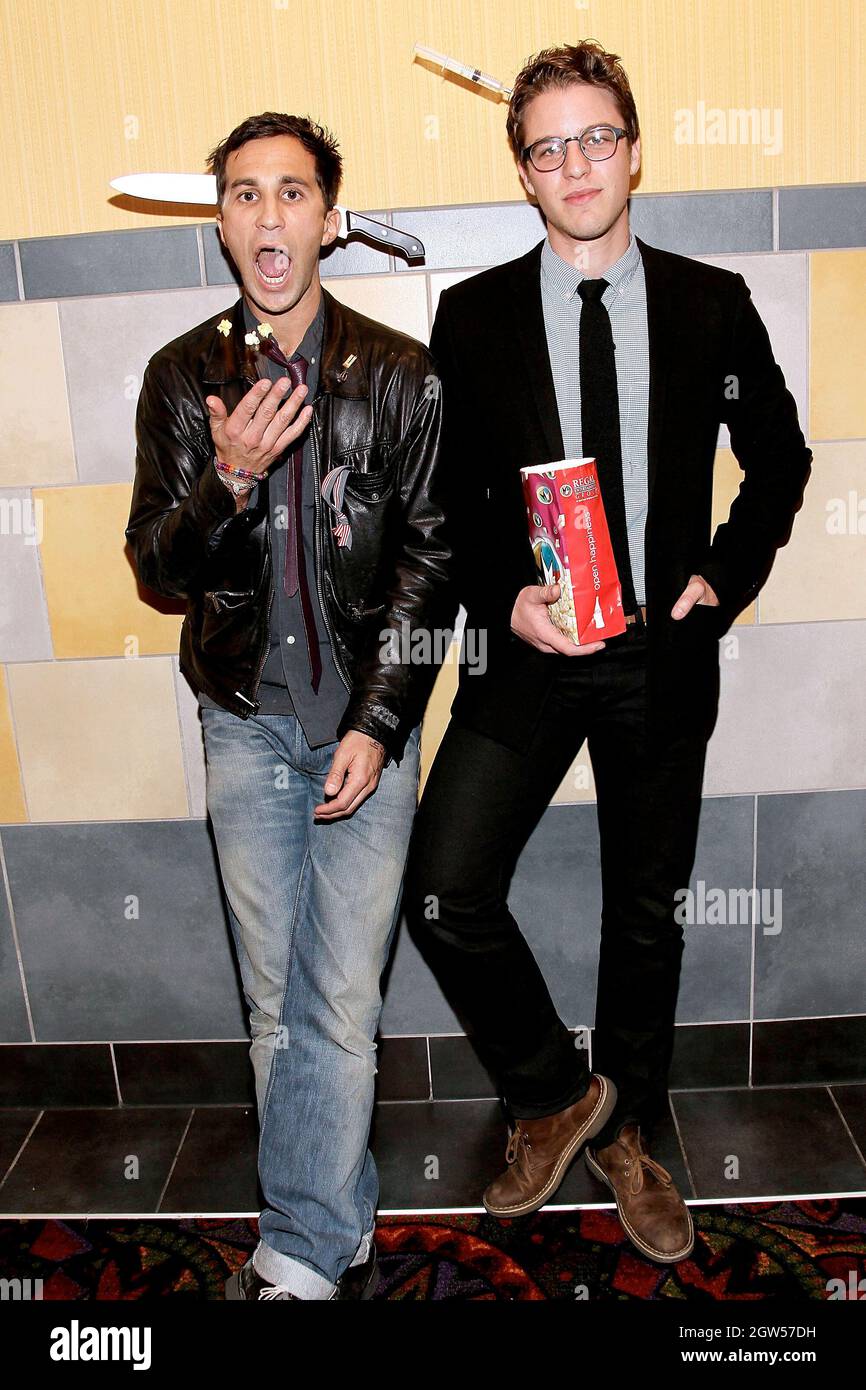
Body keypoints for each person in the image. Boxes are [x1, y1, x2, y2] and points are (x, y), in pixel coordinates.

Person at [405, 41, 811, 1264]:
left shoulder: (708, 302)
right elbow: (451, 501)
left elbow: (781, 464)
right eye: (546, 147)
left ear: (632, 149)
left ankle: (629, 1128)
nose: (573, 164)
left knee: (646, 918)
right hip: (529, 652)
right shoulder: (469, 319)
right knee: (442, 886)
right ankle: (552, 1093)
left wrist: (719, 580)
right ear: (522, 175)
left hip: (658, 654)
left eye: (594, 138)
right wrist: (501, 597)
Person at [125, 112, 452, 1299]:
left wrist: (376, 724)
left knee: (336, 997)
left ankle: (299, 1252)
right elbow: (158, 564)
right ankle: (335, 1231)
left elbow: (429, 564)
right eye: (245, 195)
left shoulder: (401, 374)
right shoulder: (181, 378)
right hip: (242, 726)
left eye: (291, 192)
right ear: (222, 221)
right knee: (279, 1000)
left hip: (367, 730)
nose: (269, 215)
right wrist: (230, 478)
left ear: (328, 216)